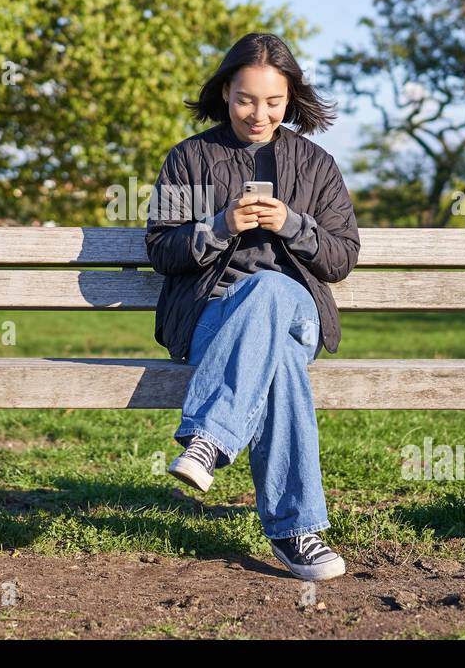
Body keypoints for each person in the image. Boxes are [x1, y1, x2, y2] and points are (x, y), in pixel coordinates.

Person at [145, 32, 361, 582]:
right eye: (245, 99)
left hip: (298, 312)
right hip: (210, 315)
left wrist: (292, 224)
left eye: (273, 101)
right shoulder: (189, 158)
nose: (259, 114)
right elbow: (161, 250)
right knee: (281, 362)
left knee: (270, 289)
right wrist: (218, 227)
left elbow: (340, 257)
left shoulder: (316, 164)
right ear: (224, 92)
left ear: (290, 99)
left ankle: (209, 438)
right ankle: (296, 533)